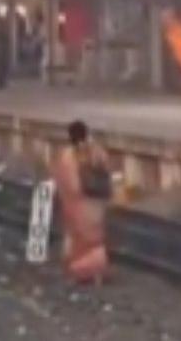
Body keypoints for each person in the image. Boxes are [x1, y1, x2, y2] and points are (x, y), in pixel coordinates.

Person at [51, 120, 111, 285]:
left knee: (78, 240)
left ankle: (79, 272)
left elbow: (68, 183)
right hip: (97, 202)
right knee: (96, 240)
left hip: (77, 204)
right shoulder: (97, 151)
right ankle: (98, 273)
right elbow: (106, 170)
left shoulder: (68, 156)